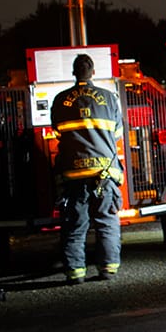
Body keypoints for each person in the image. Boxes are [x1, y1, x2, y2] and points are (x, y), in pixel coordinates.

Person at [51, 53, 124, 284]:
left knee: (75, 224)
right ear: (93, 72)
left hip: (74, 174)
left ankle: (75, 273)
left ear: (74, 72)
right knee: (106, 221)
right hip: (104, 174)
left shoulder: (60, 100)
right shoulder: (109, 98)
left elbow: (57, 133)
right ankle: (108, 269)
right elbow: (118, 133)